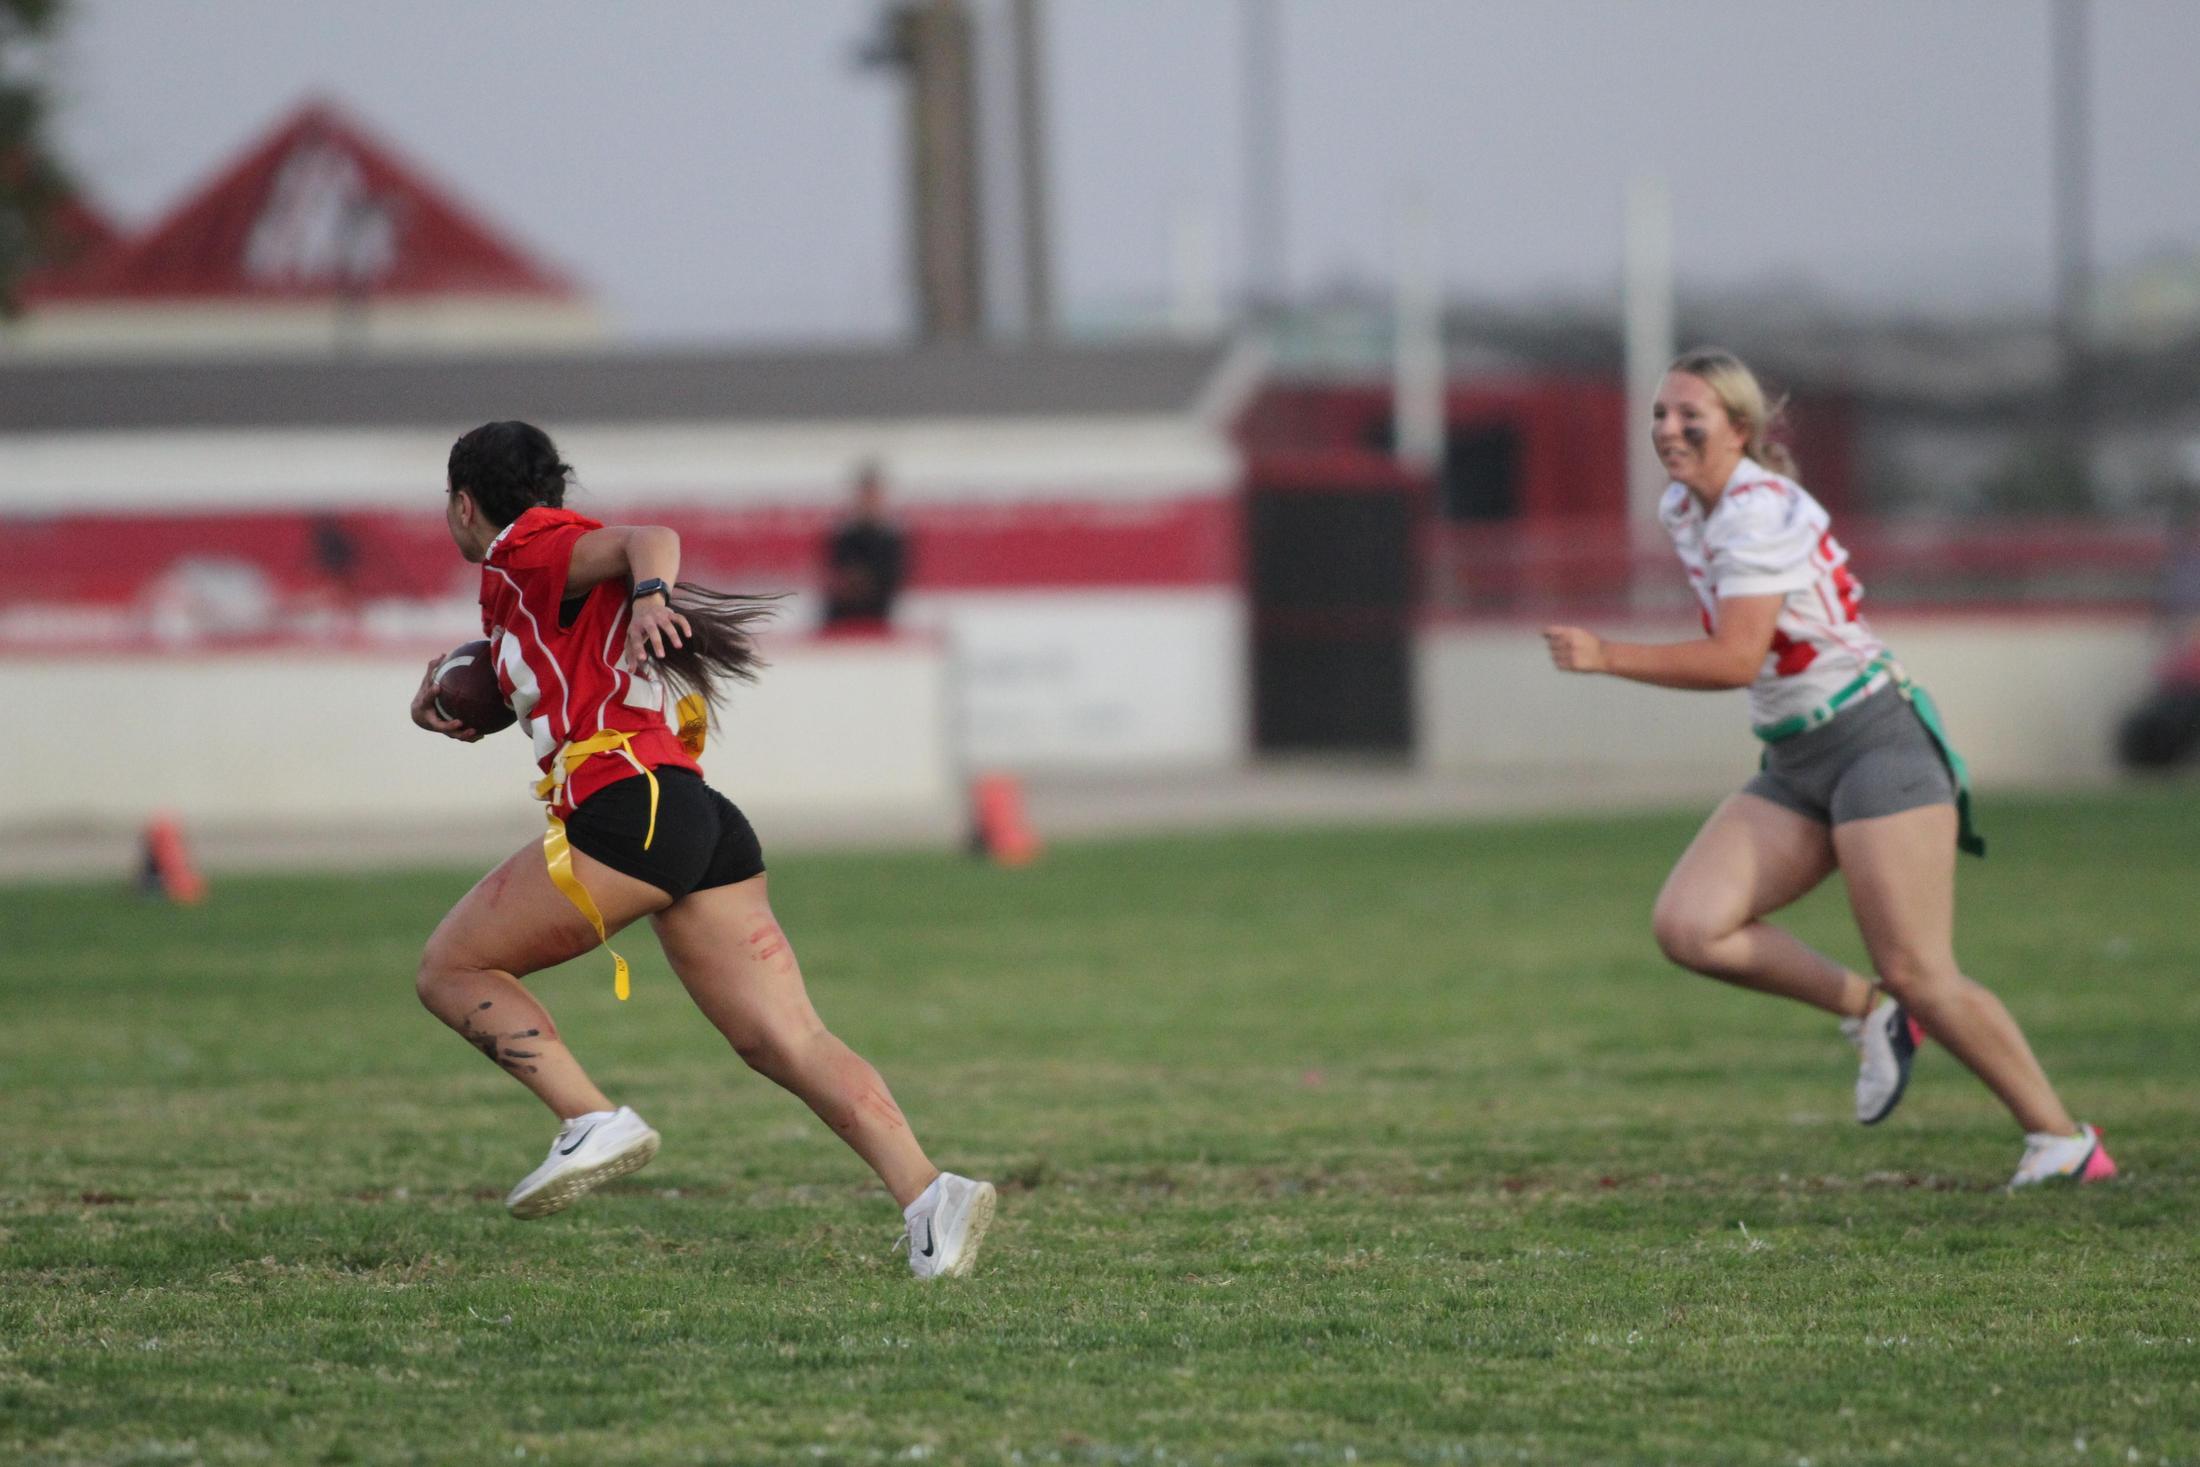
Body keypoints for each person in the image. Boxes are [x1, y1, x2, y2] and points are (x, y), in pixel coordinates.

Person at [409, 420, 994, 1277]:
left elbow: (653, 538)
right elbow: (533, 670)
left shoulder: (524, 549)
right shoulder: (528, 590)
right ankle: (929, 1194)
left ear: (464, 505)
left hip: (627, 806)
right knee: (783, 1040)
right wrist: (453, 695)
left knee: (450, 969)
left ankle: (587, 1117)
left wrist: (651, 593)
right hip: (689, 811)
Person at [1541, 349, 2114, 1190]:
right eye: (1658, 413)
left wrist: (1604, 656)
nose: (1666, 429)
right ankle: (1867, 1010)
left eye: (1687, 414)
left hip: (1875, 740)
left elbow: (1738, 656)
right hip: (1797, 754)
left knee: (1922, 969)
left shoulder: (1756, 508)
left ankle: (2065, 1142)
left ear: (1740, 428)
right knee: (1692, 926)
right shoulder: (1684, 505)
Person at [819, 461, 908, 631]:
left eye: (873, 495)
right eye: (866, 495)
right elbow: (833, 577)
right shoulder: (843, 537)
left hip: (879, 619)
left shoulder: (891, 540)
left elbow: (896, 579)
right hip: (840, 621)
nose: (869, 500)